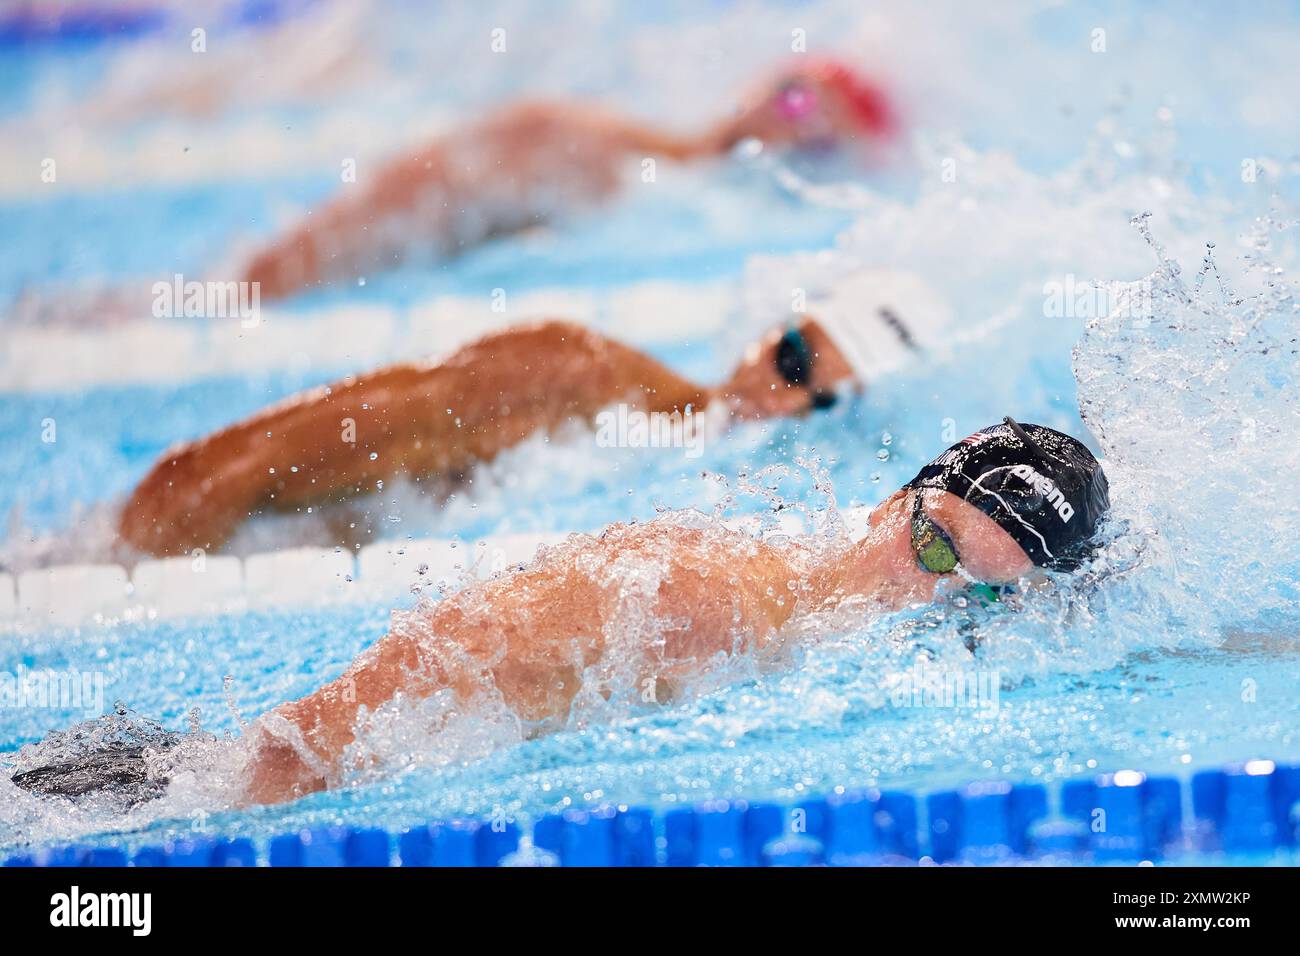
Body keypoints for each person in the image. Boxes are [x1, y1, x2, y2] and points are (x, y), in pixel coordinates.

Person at [233, 419, 1110, 805]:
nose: (933, 599)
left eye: (985, 596)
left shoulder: (815, 648)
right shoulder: (684, 595)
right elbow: (307, 743)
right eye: (933, 550)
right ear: (896, 501)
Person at [117, 285, 949, 556]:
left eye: (826, 400)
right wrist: (134, 572)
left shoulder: (750, 501)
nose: (788, 399)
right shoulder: (568, 378)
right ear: (772, 327)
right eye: (795, 358)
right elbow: (206, 481)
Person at [238, 57, 896, 300]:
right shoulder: (573, 138)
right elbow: (370, 215)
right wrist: (259, 284)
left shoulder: (683, 205)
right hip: (302, 279)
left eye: (821, 136)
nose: (790, 129)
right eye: (794, 97)